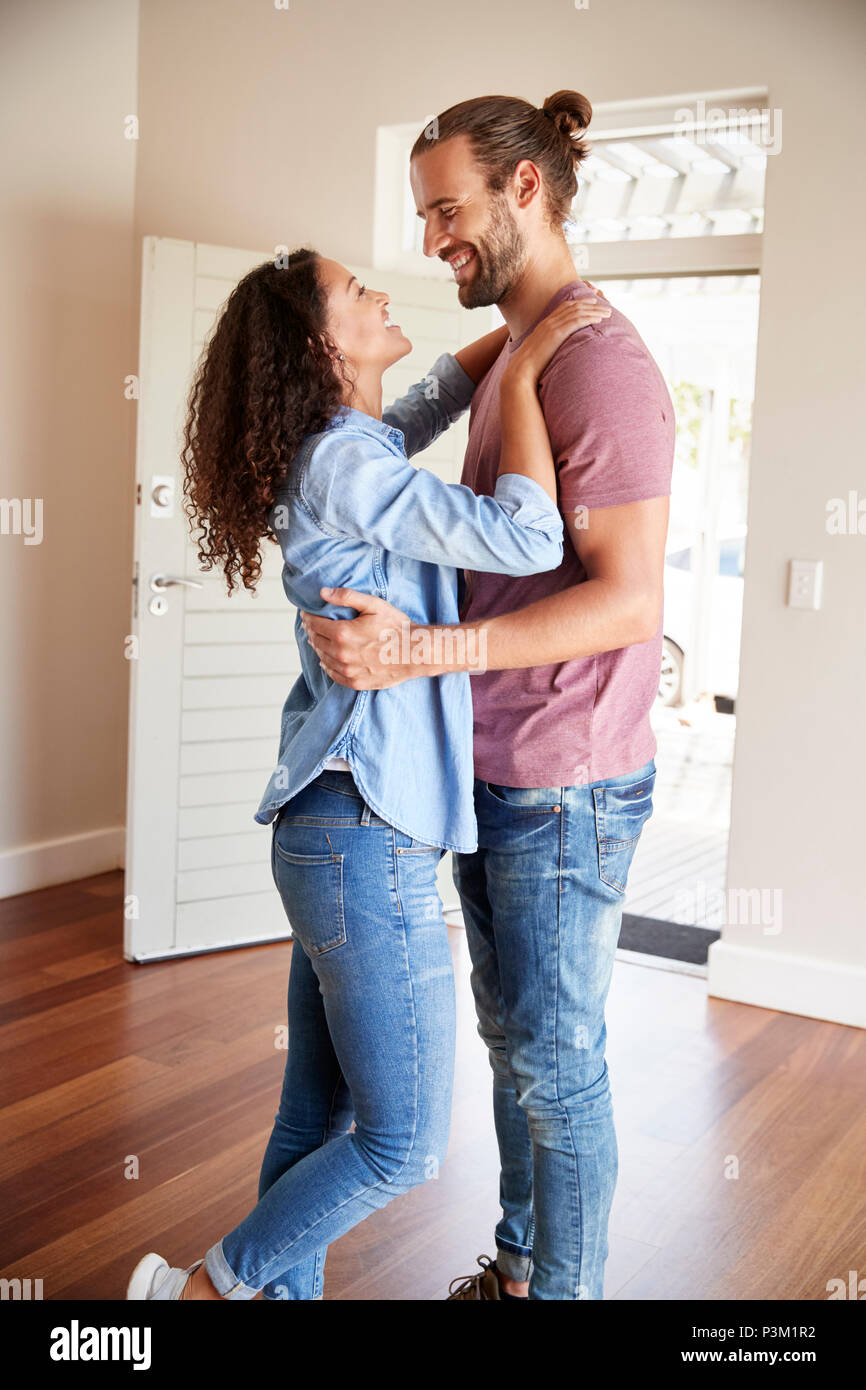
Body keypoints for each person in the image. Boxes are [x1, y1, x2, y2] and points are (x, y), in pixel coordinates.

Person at [125, 248, 609, 1300]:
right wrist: (527, 376)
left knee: (316, 1118)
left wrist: (526, 327)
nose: (383, 295)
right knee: (400, 1144)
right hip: (363, 839)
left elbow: (434, 392)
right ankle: (206, 1292)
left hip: (330, 834)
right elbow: (526, 537)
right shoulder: (347, 467)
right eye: (357, 293)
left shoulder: (344, 448)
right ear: (319, 344)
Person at [300, 91, 675, 1301]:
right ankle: (518, 1269)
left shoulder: (600, 367)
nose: (429, 242)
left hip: (566, 782)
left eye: (447, 210)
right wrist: (514, 345)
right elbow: (427, 422)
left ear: (524, 188)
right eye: (421, 216)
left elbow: (626, 604)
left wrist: (418, 654)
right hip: (493, 768)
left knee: (554, 1064)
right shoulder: (526, 354)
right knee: (518, 1051)